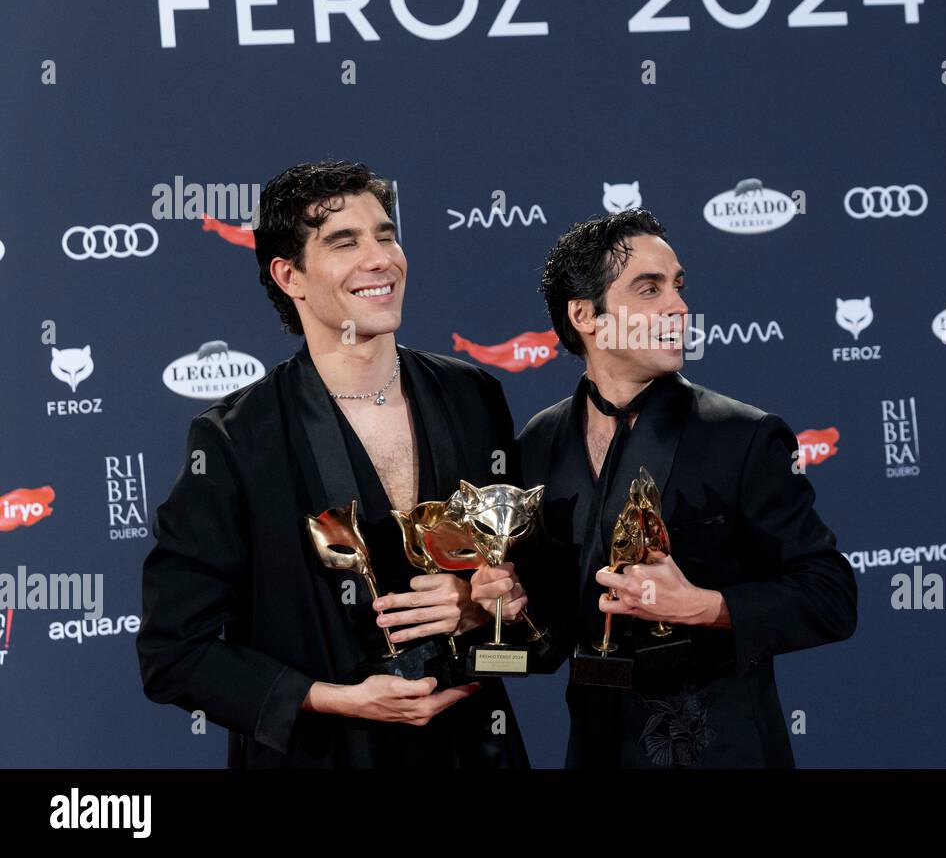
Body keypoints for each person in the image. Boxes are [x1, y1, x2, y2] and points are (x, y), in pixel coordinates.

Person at [137, 160, 538, 767]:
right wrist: (336, 700)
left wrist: (482, 604)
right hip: (324, 756)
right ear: (289, 275)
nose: (380, 259)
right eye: (344, 243)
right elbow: (174, 653)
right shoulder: (234, 440)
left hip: (476, 750)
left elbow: (527, 596)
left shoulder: (471, 396)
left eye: (386, 235)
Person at [518, 208, 858, 768]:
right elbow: (550, 633)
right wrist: (503, 607)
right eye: (649, 289)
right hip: (596, 752)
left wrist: (704, 606)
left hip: (720, 750)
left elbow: (832, 596)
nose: (678, 308)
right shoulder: (540, 442)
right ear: (585, 315)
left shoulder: (742, 436)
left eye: (678, 287)